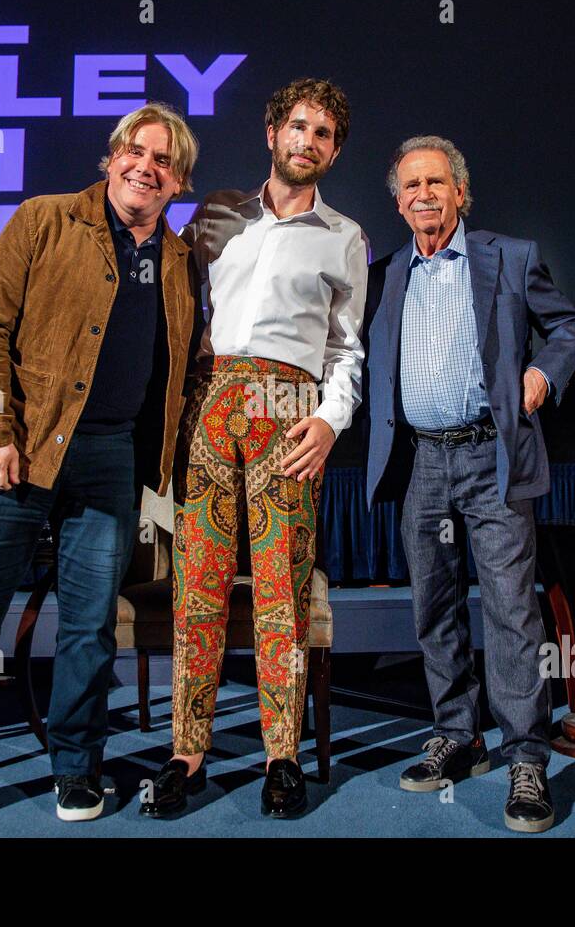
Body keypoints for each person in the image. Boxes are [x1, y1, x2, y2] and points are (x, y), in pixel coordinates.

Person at [0, 103, 201, 837]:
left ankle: (76, 763)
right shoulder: (45, 219)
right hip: (23, 451)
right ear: (112, 155)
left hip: (113, 458)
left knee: (90, 627)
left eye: (162, 161)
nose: (144, 168)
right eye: (134, 151)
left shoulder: (181, 260)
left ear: (178, 182)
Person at [140, 78, 367, 819]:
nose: (308, 140)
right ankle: (187, 752)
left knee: (283, 594)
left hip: (291, 419)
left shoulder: (346, 237)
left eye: (324, 133)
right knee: (195, 590)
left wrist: (331, 422)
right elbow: (170, 295)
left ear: (334, 151)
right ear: (272, 132)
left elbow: (347, 350)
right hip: (209, 410)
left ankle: (282, 755)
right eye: (298, 125)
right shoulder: (215, 217)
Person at [363, 136, 575, 832]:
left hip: (493, 457)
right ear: (398, 202)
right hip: (421, 463)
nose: (424, 194)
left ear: (461, 192)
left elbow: (570, 327)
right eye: (411, 186)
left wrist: (542, 374)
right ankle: (458, 737)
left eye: (436, 182)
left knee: (510, 609)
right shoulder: (384, 274)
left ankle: (526, 755)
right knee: (434, 605)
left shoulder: (509, 257)